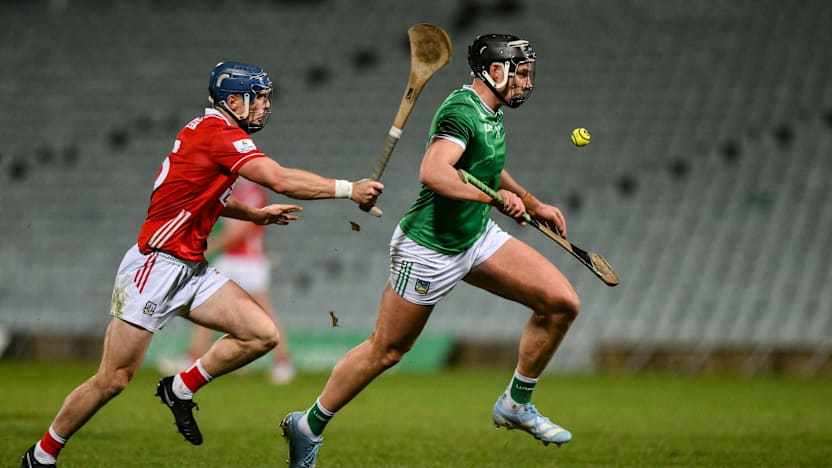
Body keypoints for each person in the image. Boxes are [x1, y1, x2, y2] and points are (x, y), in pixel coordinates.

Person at [20, 61, 383, 468]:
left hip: (189, 268)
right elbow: (278, 179)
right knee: (113, 380)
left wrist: (254, 216)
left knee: (261, 334)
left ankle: (180, 388)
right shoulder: (218, 134)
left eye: (265, 97)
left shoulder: (207, 131)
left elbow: (203, 196)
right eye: (257, 97)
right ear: (232, 101)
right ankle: (41, 456)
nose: (264, 105)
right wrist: (348, 189)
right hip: (154, 267)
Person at [281, 34, 581, 467]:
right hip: (428, 248)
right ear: (493, 71)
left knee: (560, 303)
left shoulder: (489, 113)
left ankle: (515, 404)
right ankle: (306, 426)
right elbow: (434, 171)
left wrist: (531, 203)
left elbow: (488, 165)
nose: (526, 82)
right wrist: (494, 200)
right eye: (521, 72)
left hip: (475, 237)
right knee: (387, 350)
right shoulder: (461, 111)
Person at [178, 179, 296, 385]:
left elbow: (238, 232)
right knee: (206, 305)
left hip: (249, 261)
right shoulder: (231, 191)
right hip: (231, 259)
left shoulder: (253, 193)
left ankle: (283, 363)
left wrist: (205, 249)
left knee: (265, 312)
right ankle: (192, 357)